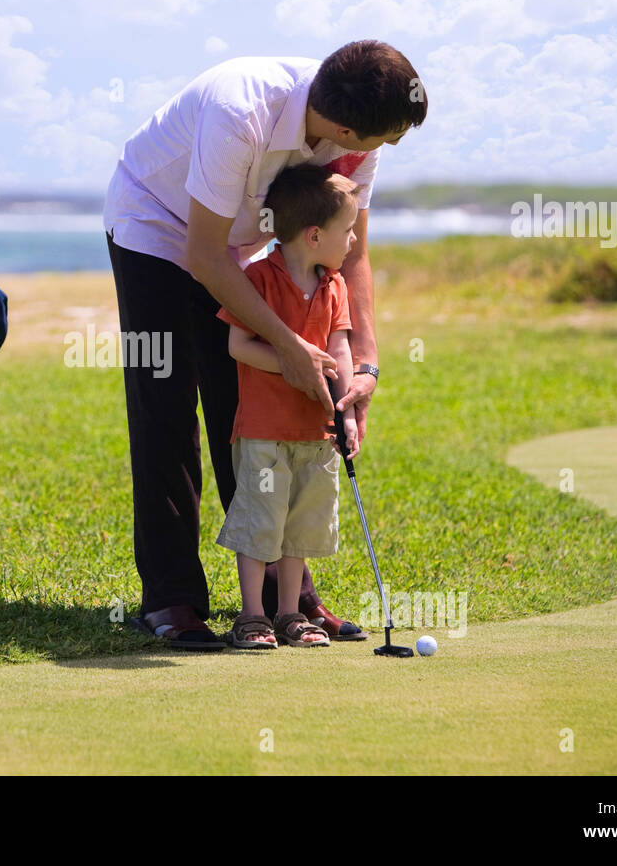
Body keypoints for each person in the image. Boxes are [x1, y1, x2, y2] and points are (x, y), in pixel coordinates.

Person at [103, 40, 426, 648]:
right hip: (157, 227)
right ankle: (171, 599)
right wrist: (286, 344)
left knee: (257, 413)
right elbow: (202, 254)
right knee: (167, 409)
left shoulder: (354, 145)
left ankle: (286, 601)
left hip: (243, 246)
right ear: (346, 126)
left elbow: (350, 249)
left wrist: (364, 367)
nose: (382, 152)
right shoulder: (240, 110)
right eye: (381, 140)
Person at [215, 166, 361, 649]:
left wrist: (343, 407)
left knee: (300, 523)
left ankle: (289, 613)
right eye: (348, 229)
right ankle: (252, 615)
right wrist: (293, 362)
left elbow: (340, 348)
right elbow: (239, 346)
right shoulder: (258, 277)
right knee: (262, 519)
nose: (354, 238)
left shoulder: (335, 284)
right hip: (263, 429)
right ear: (315, 235)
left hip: (314, 431)